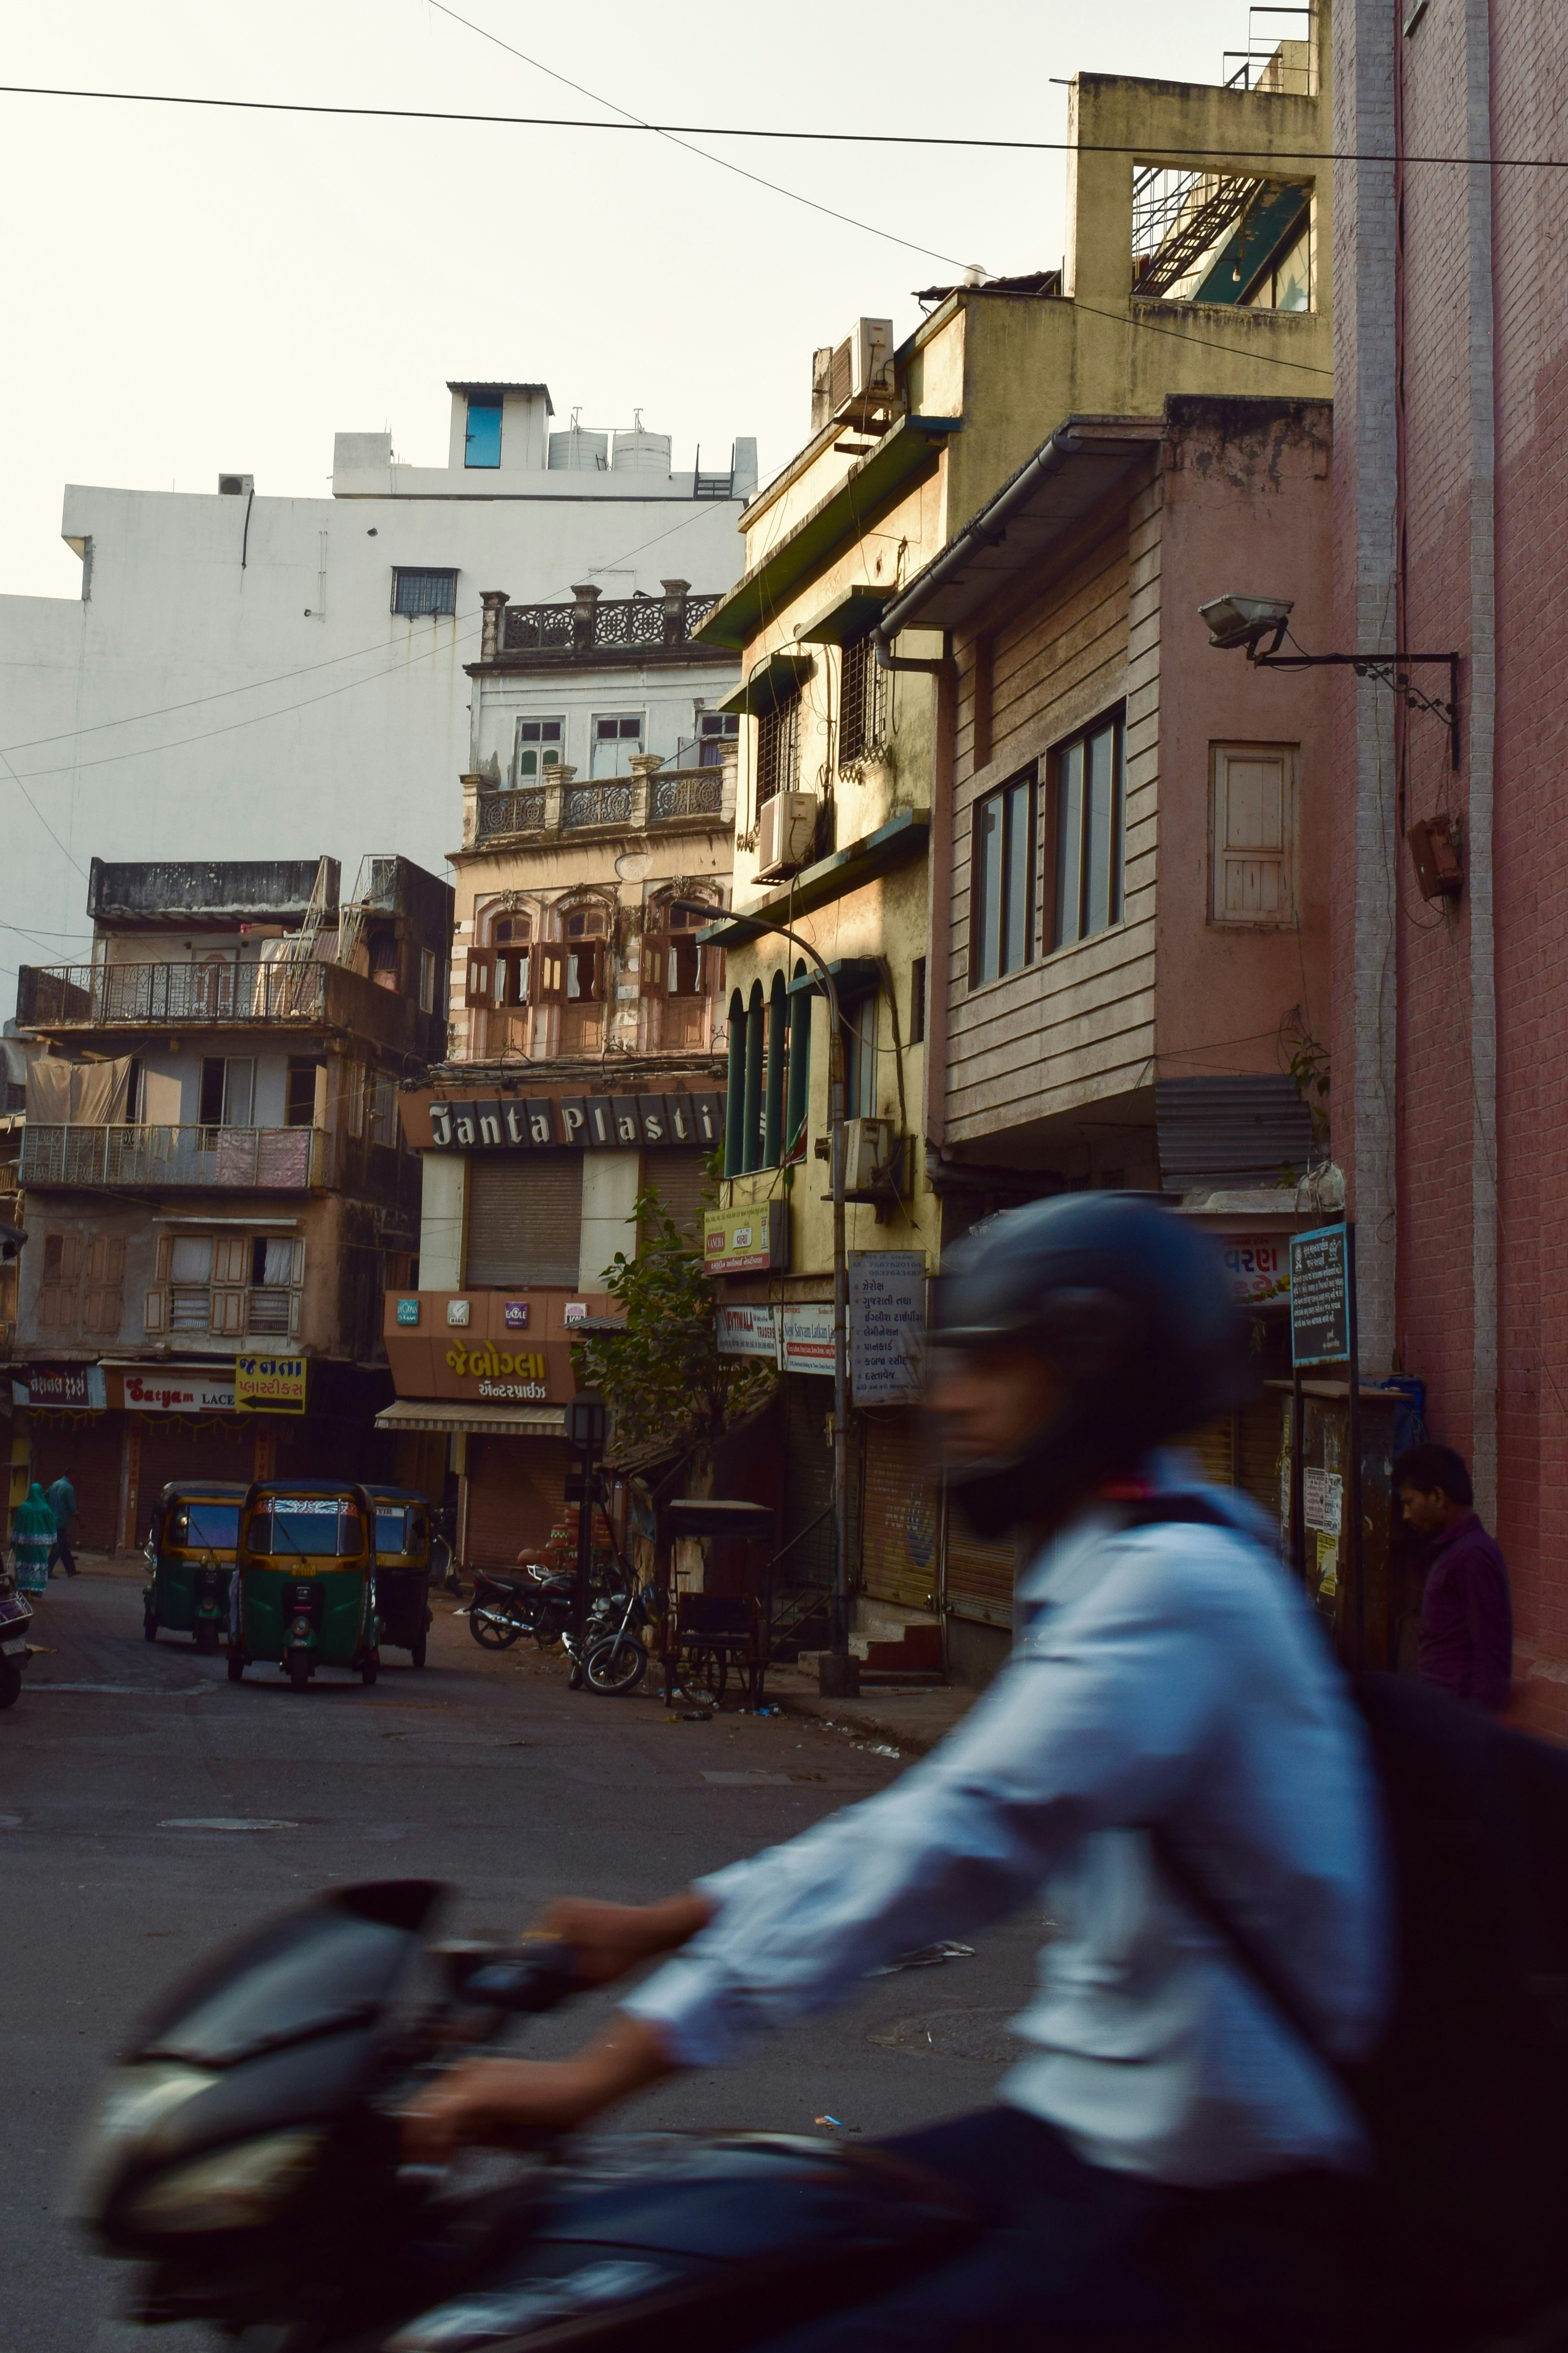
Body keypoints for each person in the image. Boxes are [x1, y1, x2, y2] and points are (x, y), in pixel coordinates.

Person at [404, 1196, 1390, 2351]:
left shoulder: (1171, 1589)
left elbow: (946, 1842)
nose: (949, 1397)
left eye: (990, 1363)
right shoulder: (1113, 1559)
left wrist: (596, 2075)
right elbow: (915, 1819)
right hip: (1083, 2135)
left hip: (1209, 2200)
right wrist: (658, 1922)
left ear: (1092, 1375)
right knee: (713, 2239)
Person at [1395, 1441, 1512, 1712]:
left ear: (1437, 1496)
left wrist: (1478, 1733)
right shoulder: (1455, 1553)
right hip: (1443, 1715)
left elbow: (1490, 1653)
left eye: (1410, 1502)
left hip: (1457, 1719)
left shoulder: (1471, 1557)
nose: (1406, 1515)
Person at [11, 1481, 55, 1597]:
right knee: (36, 1565)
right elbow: (51, 1525)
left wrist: (14, 1541)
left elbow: (18, 1525)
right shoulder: (46, 1509)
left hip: (24, 1545)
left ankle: (24, 1589)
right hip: (39, 1546)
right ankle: (34, 1589)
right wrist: (53, 1541)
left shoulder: (24, 1507)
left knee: (24, 1565)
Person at [45, 1471, 79, 1578]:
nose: (75, 1479)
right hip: (61, 1521)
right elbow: (73, 1508)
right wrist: (80, 1521)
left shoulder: (55, 1484)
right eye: (74, 1476)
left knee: (64, 1546)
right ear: (70, 1476)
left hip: (53, 1520)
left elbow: (45, 1496)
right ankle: (47, 1570)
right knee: (59, 1546)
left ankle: (71, 1570)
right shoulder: (68, 1488)